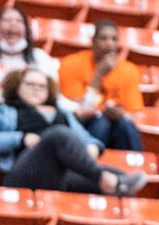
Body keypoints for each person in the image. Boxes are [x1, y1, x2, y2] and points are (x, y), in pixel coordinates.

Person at [0, 66, 145, 196]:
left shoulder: (62, 113)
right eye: (30, 84)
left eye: (41, 86)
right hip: (22, 175)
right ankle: (102, 178)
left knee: (124, 180)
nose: (36, 88)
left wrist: (93, 146)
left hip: (62, 176)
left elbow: (88, 139)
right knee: (58, 134)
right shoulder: (2, 110)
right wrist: (20, 138)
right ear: (17, 86)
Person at [56, 19, 144, 152]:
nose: (109, 43)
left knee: (125, 125)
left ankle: (135, 165)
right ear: (93, 41)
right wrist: (98, 74)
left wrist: (120, 114)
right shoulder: (71, 63)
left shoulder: (129, 70)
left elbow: (133, 115)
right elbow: (77, 111)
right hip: (83, 125)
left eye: (114, 39)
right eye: (104, 38)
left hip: (117, 127)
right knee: (103, 122)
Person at [0, 5, 60, 113]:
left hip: (33, 117)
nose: (13, 24)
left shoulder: (41, 57)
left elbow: (54, 95)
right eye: (6, 20)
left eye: (19, 21)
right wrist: (8, 101)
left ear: (27, 30)